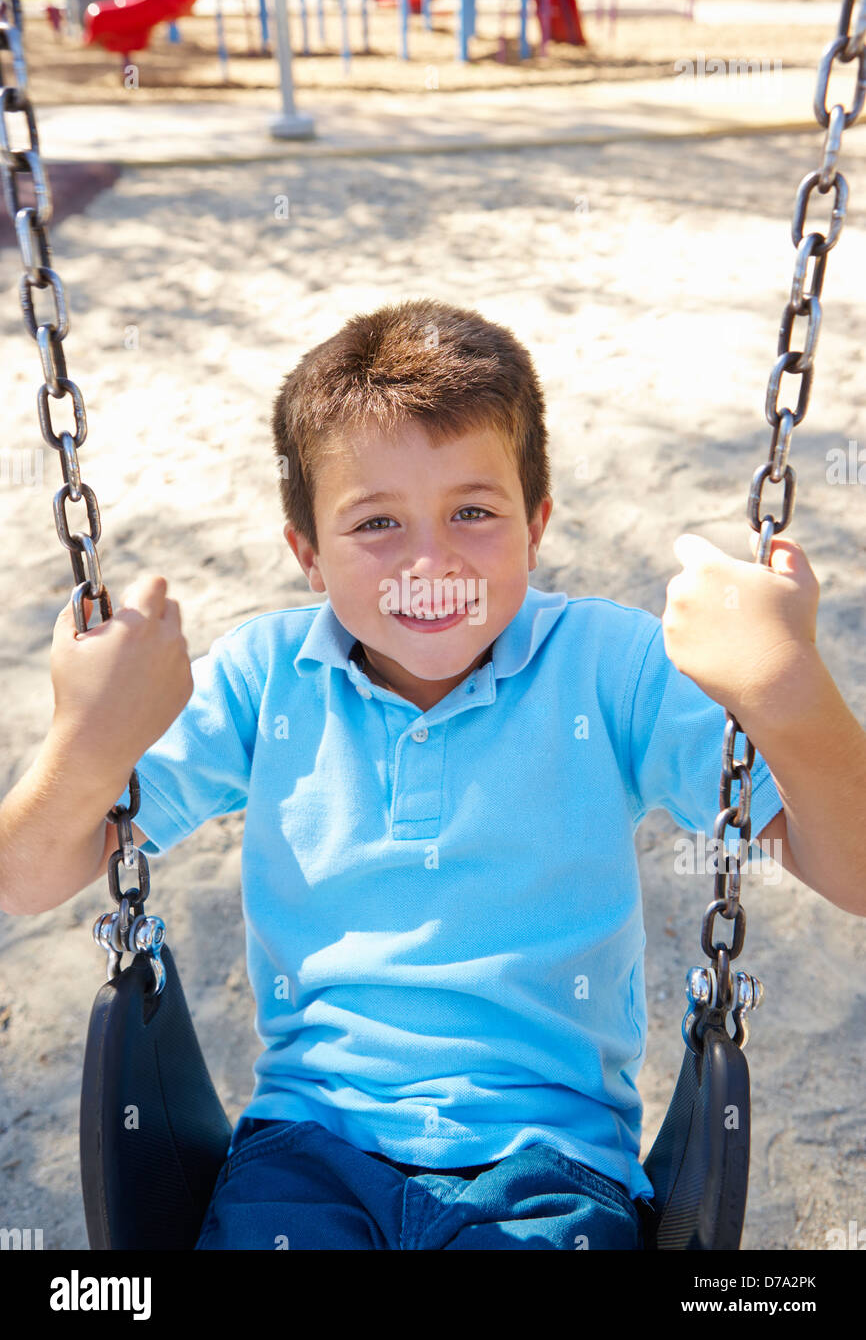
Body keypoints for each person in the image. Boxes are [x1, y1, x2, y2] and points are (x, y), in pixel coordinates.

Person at [2, 297, 863, 1249]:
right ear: (308, 555)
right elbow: (32, 873)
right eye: (375, 523)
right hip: (306, 1150)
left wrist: (790, 693)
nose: (431, 559)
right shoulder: (262, 681)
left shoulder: (608, 669)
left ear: (535, 528)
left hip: (553, 1160)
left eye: (473, 511)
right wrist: (84, 743)